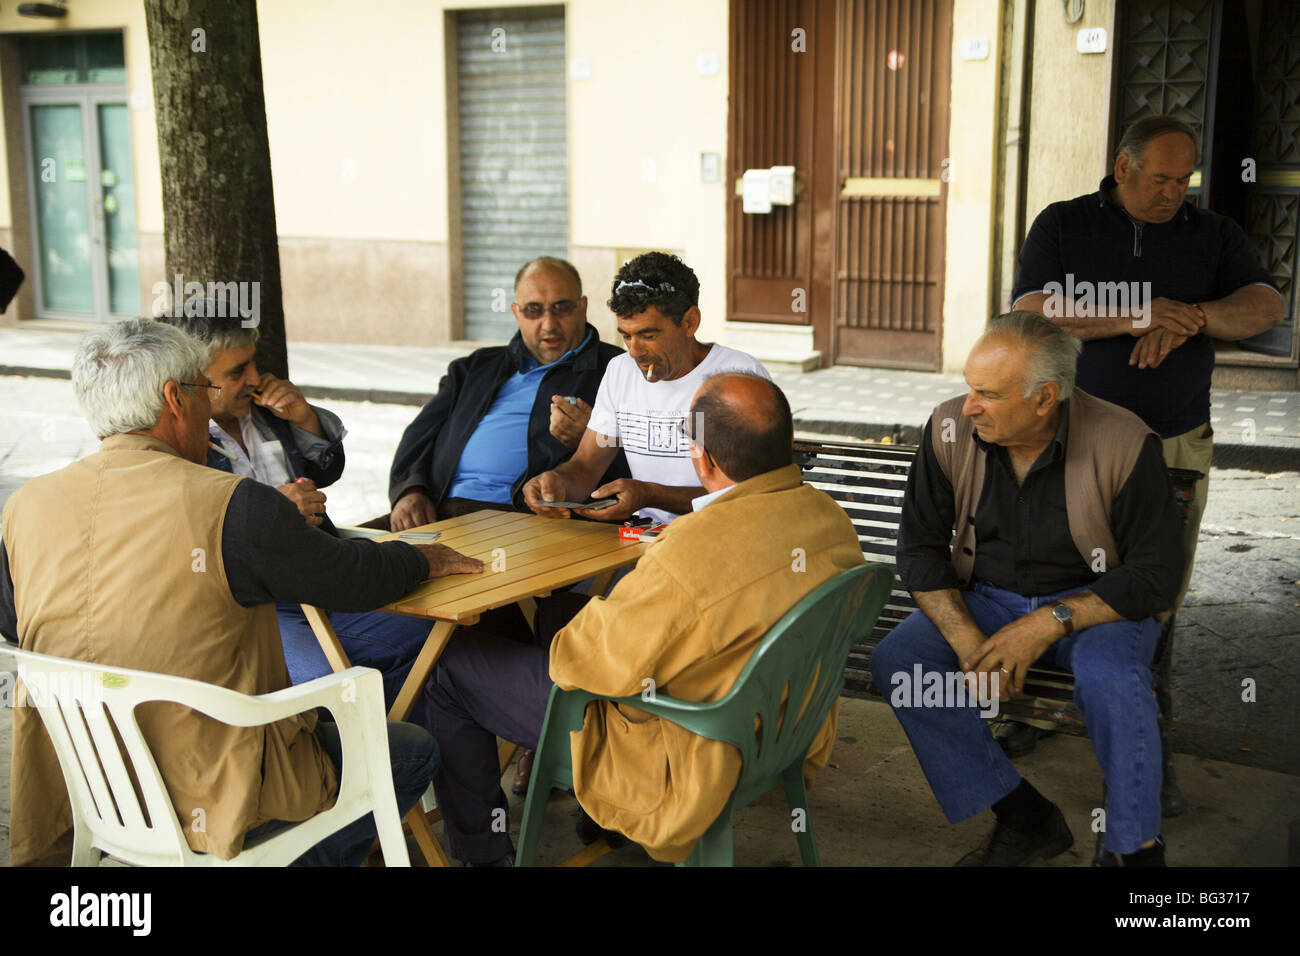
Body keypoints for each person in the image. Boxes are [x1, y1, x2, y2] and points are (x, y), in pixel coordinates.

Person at [0, 319, 482, 867]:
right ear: (173, 399)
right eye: (204, 390)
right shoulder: (233, 503)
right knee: (407, 751)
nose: (211, 408)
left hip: (90, 782)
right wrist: (418, 555)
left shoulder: (24, 507)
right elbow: (350, 579)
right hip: (212, 790)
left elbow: (16, 627)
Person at [420, 373, 864, 865]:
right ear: (787, 442)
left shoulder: (694, 549)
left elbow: (583, 665)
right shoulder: (829, 517)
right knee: (558, 609)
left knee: (452, 668)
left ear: (705, 460)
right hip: (780, 726)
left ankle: (482, 854)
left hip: (681, 751)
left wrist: (578, 634)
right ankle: (599, 817)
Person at [871, 311, 1185, 867]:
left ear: (1045, 398)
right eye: (969, 388)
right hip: (987, 598)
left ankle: (1134, 853)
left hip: (1096, 607)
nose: (969, 406)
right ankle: (1025, 816)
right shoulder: (950, 430)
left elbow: (1154, 575)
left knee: (1114, 680)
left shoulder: (1123, 441)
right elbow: (919, 549)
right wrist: (969, 640)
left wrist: (1047, 623)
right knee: (902, 663)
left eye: (987, 394)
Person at [1012, 114, 1282, 611]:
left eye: (1184, 181)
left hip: (1174, 433)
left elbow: (1267, 306)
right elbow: (1030, 310)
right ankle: (1064, 649)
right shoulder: (1064, 223)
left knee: (1161, 565)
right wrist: (1135, 317)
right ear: (1122, 167)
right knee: (1069, 555)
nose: (1174, 193)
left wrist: (1193, 317)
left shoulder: (1214, 233)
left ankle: (1148, 660)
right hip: (1073, 431)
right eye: (1160, 179)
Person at [156, 308, 437, 718]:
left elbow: (326, 468)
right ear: (193, 378)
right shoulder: (182, 442)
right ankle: (366, 753)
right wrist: (274, 511)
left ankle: (394, 743)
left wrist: (305, 418)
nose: (255, 379)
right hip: (260, 606)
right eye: (237, 372)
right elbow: (194, 532)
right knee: (326, 695)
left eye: (253, 363)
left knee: (437, 642)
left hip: (323, 577)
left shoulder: (266, 412)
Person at [523, 251, 770, 526]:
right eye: (626, 336)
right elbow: (586, 466)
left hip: (724, 536)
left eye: (648, 336)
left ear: (690, 322)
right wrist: (555, 482)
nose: (634, 351)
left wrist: (650, 494)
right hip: (645, 540)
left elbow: (752, 493)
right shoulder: (620, 371)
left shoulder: (739, 376)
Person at [386, 256, 629, 531]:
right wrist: (410, 491)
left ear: (583, 307)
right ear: (516, 313)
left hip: (529, 521)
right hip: (441, 511)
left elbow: (646, 465)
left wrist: (592, 441)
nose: (548, 324)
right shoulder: (475, 368)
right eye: (533, 310)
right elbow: (419, 436)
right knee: (347, 557)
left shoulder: (616, 370)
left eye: (561, 308)